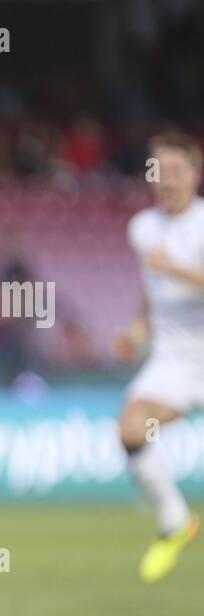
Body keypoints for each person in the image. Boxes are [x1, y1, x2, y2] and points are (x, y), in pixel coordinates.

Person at [116, 133, 204, 582]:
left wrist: (181, 271)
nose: (165, 180)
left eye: (175, 171)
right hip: (173, 360)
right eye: (157, 171)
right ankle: (176, 523)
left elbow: (171, 274)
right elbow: (151, 289)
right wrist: (138, 328)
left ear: (195, 174)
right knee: (132, 429)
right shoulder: (143, 229)